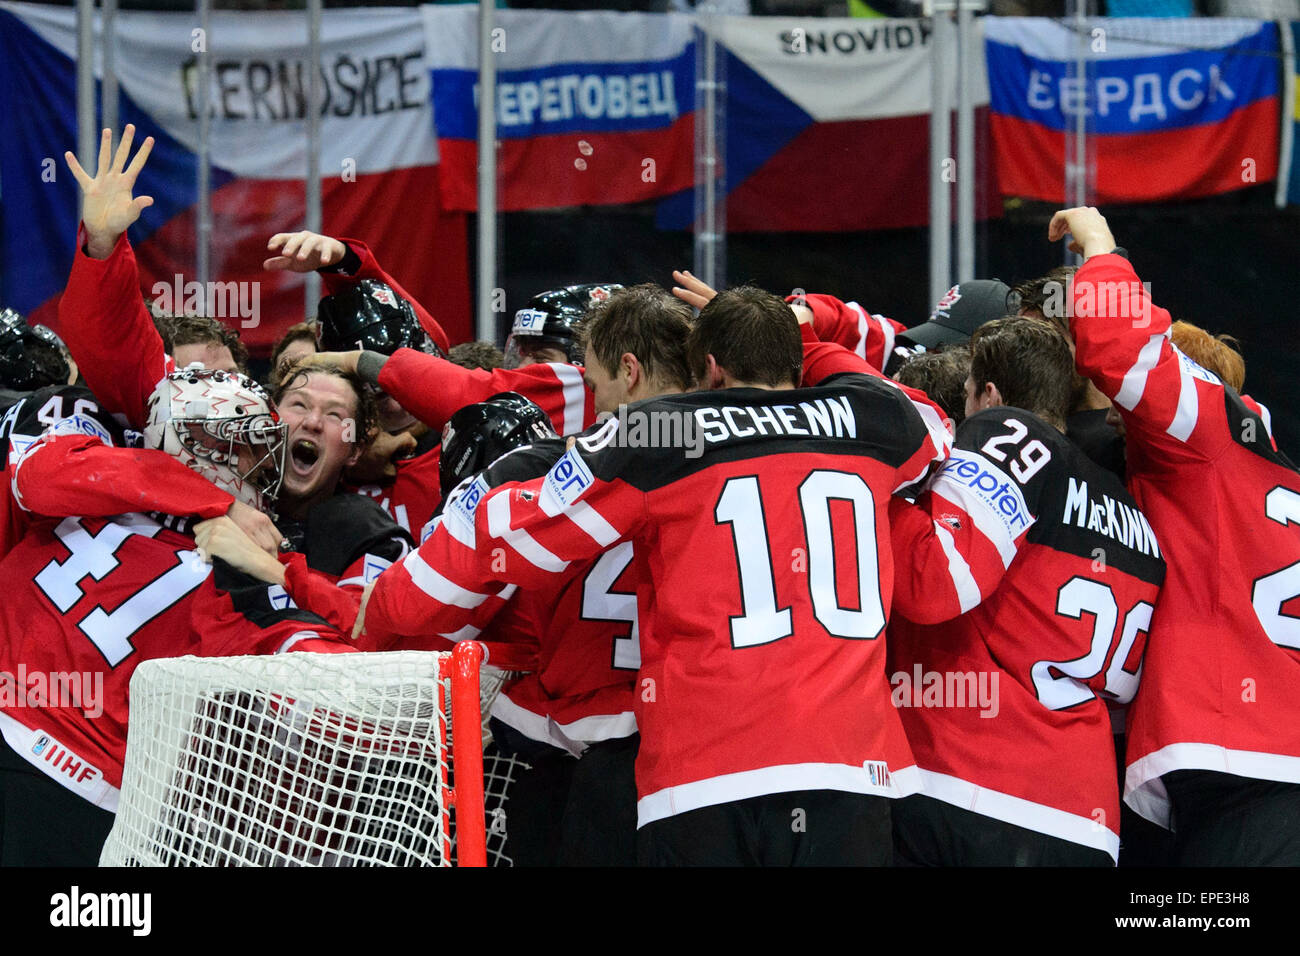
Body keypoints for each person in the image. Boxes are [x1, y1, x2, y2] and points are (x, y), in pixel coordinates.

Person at [355, 285, 955, 866]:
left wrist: (387, 605)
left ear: (710, 368)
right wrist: (815, 341)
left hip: (702, 773)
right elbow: (934, 424)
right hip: (852, 768)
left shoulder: (655, 433)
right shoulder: (873, 418)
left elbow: (502, 538)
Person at [0, 368, 353, 866]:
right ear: (207, 447)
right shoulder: (236, 574)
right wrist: (283, 575)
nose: (263, 463)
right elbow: (343, 674)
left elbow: (36, 474)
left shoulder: (86, 482)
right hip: (78, 794)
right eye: (250, 445)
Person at [1052, 205, 1300, 866]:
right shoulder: (1268, 480)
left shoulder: (1209, 437)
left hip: (1246, 776)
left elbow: (1119, 347)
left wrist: (1101, 245)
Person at [886, 317, 1165, 866]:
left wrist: (881, 496)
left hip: (966, 782)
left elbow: (933, 584)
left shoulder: (1009, 436)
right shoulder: (1136, 513)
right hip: (1086, 820)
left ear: (987, 394)